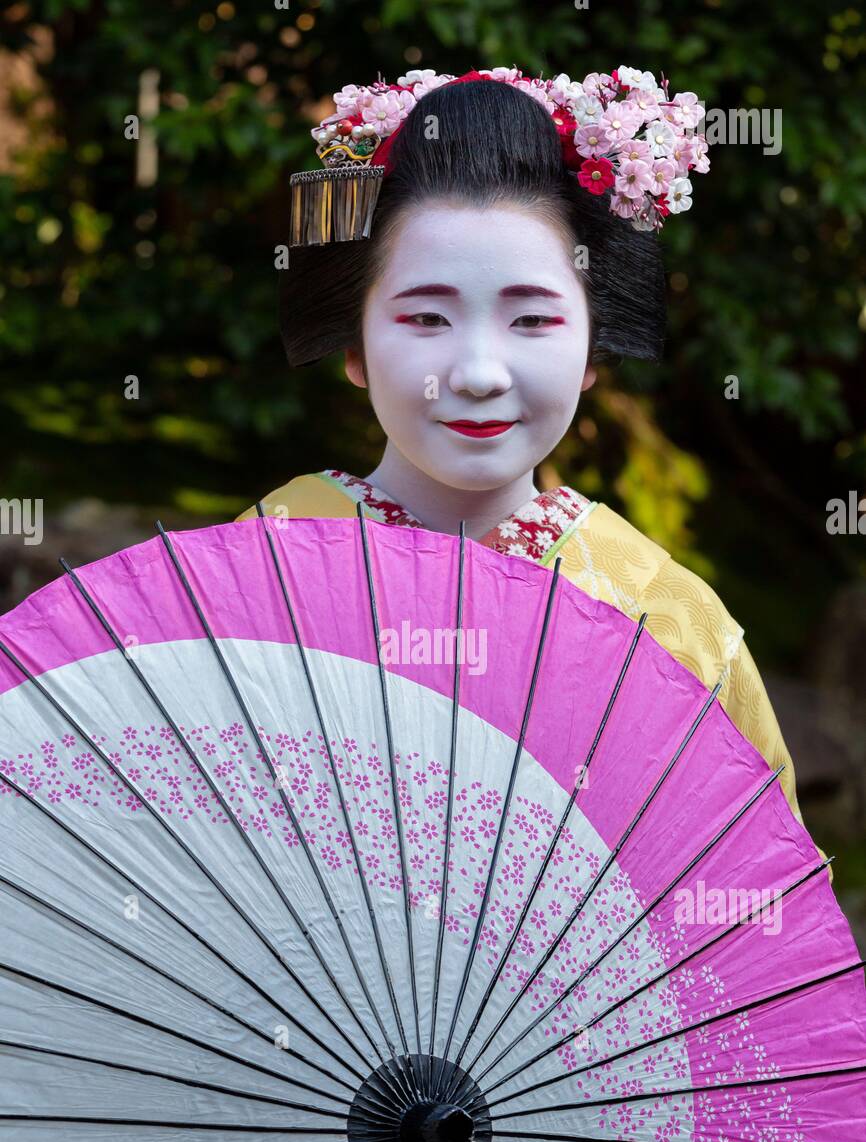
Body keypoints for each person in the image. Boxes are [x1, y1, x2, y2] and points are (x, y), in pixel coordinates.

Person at [237, 66, 824, 866]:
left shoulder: (668, 621)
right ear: (354, 346)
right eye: (427, 316)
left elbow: (753, 892)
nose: (479, 371)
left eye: (534, 319)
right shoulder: (256, 569)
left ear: (592, 348)